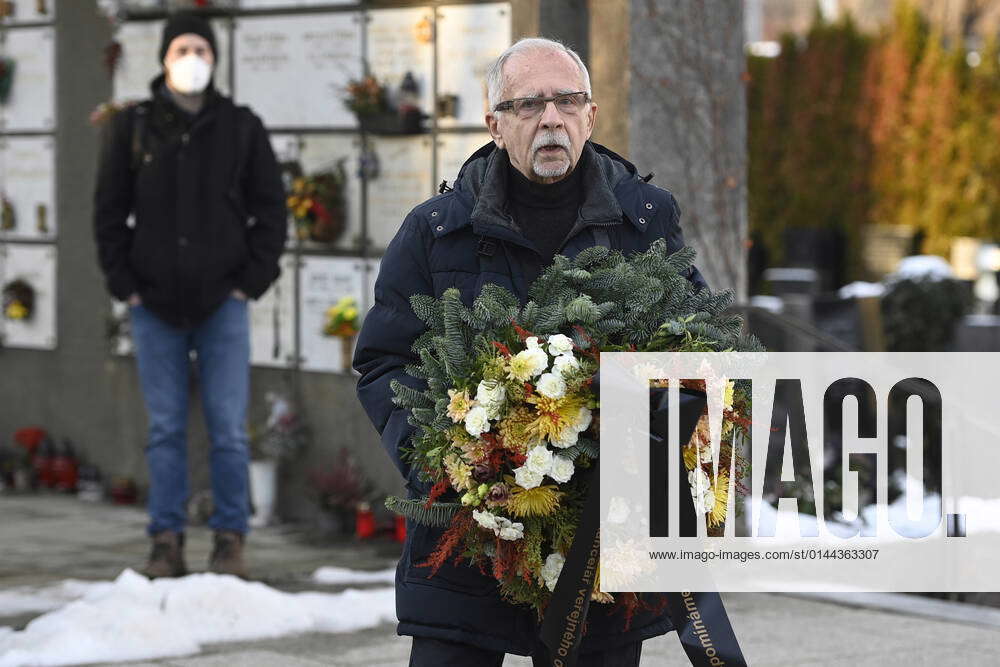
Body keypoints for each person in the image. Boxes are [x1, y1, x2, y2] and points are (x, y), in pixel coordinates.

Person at [354, 37, 706, 666]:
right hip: (468, 535)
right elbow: (385, 362)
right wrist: (447, 469)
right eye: (528, 104)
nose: (551, 119)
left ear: (591, 116)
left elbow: (696, 342)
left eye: (567, 101)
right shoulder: (436, 230)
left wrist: (655, 431)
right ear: (495, 124)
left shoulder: (646, 219)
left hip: (598, 535)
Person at [93, 14, 286, 580]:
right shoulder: (133, 127)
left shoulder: (240, 127)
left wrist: (248, 282)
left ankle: (230, 539)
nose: (192, 58)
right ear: (163, 58)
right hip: (153, 303)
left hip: (222, 302)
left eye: (201, 48)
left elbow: (270, 213)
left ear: (215, 58)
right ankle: (165, 540)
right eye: (182, 48)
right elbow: (108, 213)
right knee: (165, 429)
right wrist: (125, 285)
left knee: (228, 429)